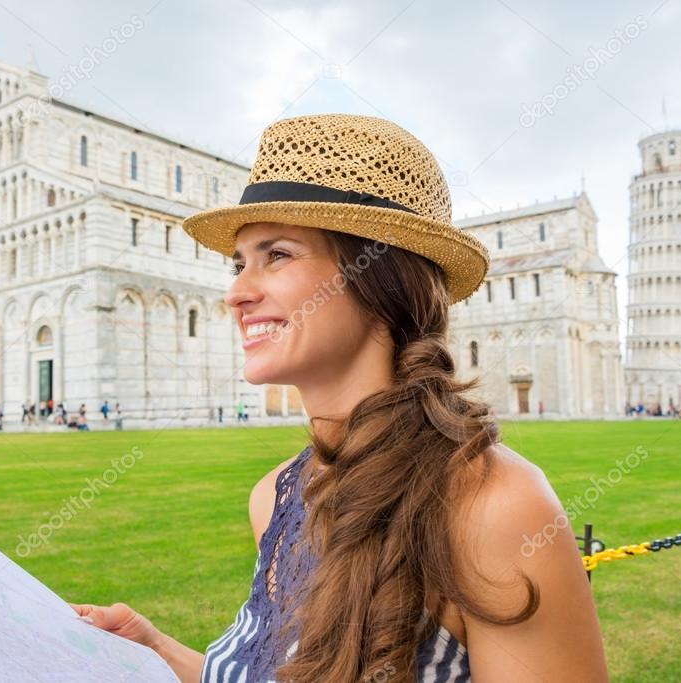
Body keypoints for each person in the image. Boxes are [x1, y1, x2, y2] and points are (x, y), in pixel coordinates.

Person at [69, 114, 609, 682]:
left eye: (276, 255)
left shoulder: (494, 506)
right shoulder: (277, 499)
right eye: (238, 263)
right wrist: (160, 652)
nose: (236, 294)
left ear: (380, 277)